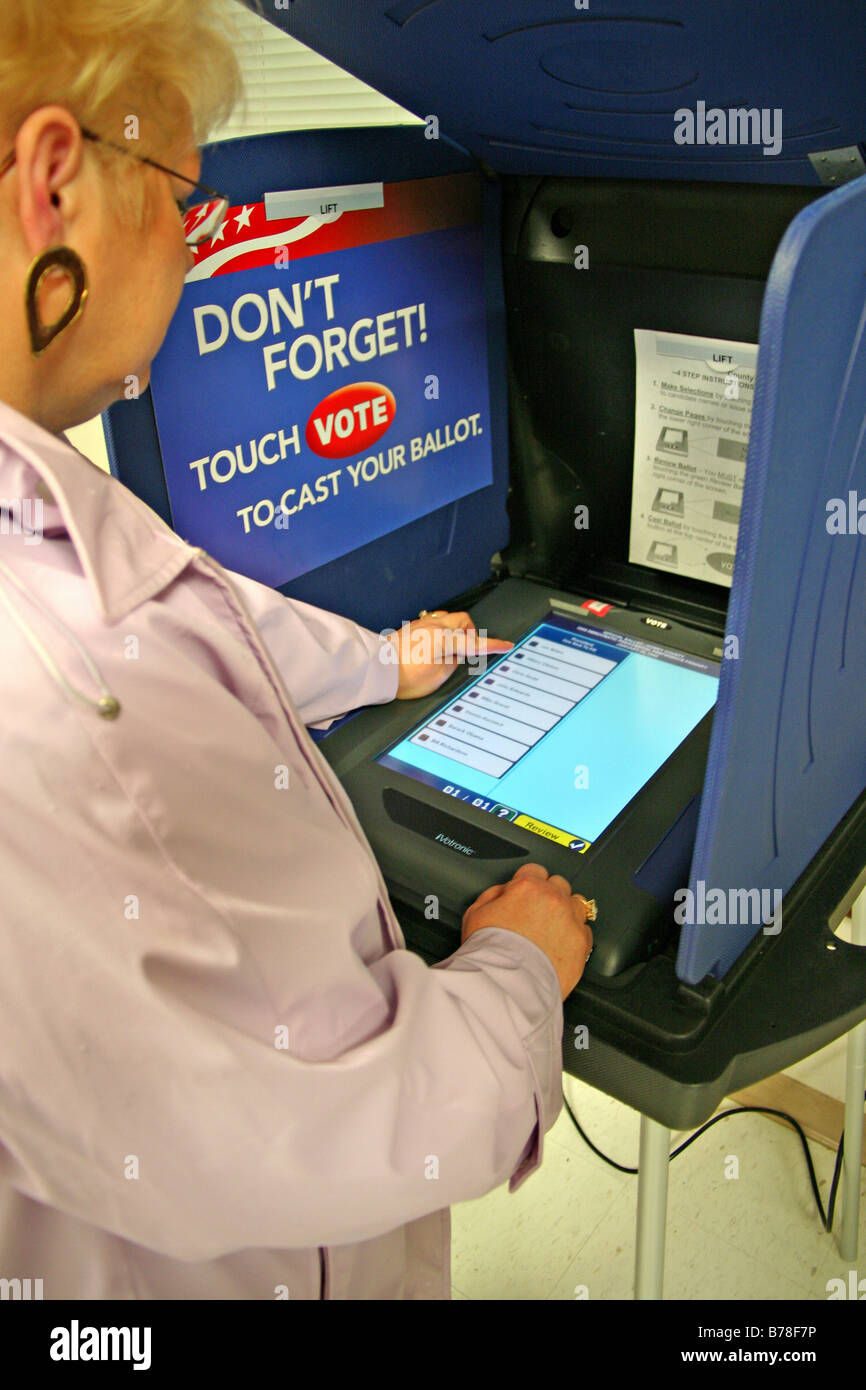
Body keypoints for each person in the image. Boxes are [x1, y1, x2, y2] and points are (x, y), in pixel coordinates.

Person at [0, 0, 592, 1299]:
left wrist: (387, 661)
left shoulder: (40, 522)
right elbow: (285, 1134)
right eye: (184, 202)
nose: (194, 246)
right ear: (56, 184)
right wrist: (515, 974)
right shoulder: (39, 688)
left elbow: (193, 609)